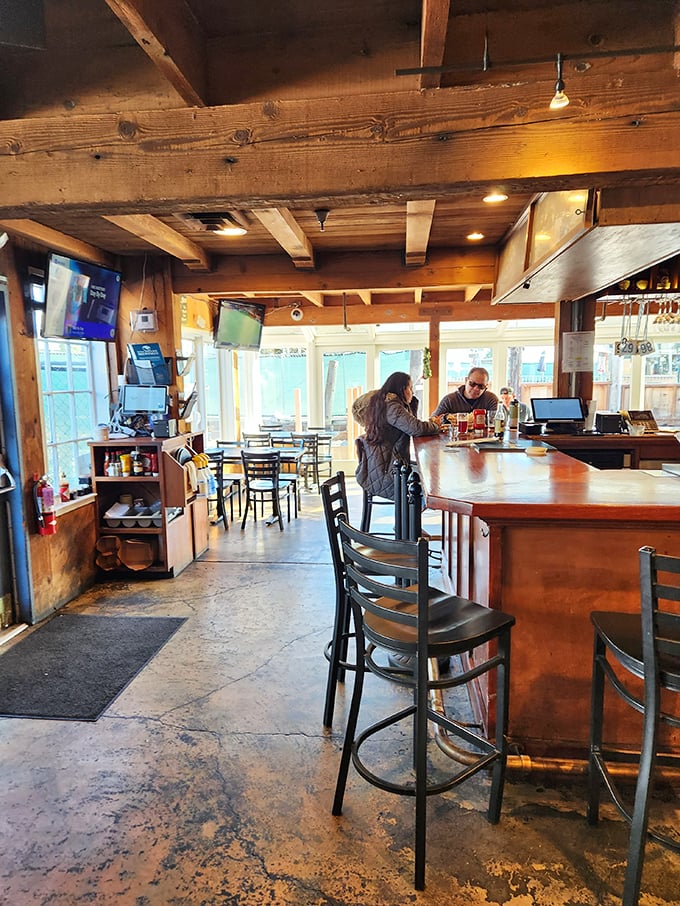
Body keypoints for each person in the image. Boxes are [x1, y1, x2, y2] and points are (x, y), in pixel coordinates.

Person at [355, 372, 443, 501]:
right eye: (410, 388)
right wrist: (437, 426)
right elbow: (416, 428)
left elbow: (410, 425)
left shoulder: (385, 403)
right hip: (387, 470)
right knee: (428, 480)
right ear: (402, 389)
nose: (413, 392)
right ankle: (415, 511)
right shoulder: (391, 406)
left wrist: (411, 404)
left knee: (426, 474)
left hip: (384, 464)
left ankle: (415, 510)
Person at [432, 367, 498, 417]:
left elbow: (497, 422)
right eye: (472, 384)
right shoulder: (449, 400)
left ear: (486, 386)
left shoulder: (491, 399)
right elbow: (434, 421)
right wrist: (447, 417)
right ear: (466, 380)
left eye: (481, 386)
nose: (476, 389)